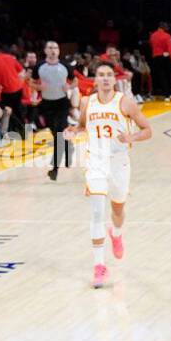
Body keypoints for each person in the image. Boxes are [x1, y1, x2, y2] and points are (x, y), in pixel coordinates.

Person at [66, 61, 153, 288]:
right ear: (95, 79)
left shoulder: (125, 103)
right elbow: (83, 126)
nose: (105, 79)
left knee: (118, 209)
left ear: (115, 80)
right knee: (96, 212)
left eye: (108, 75)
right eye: (101, 75)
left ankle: (116, 233)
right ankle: (99, 266)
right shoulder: (87, 102)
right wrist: (72, 131)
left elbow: (148, 130)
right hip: (95, 161)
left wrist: (131, 138)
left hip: (119, 163)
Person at [34, 41, 74, 180]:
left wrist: (68, 87)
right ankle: (68, 144)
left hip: (62, 103)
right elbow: (30, 82)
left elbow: (75, 81)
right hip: (46, 104)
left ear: (58, 50)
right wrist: (38, 87)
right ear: (45, 50)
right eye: (50, 48)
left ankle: (55, 169)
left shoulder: (65, 66)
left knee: (58, 134)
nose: (53, 50)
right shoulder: (39, 66)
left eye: (55, 48)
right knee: (55, 132)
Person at [0, 45, 26, 138]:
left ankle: (14, 131)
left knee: (9, 112)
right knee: (18, 110)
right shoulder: (10, 57)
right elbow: (21, 70)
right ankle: (24, 132)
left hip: (7, 91)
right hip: (18, 88)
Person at [149, 21, 171, 99]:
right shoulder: (167, 36)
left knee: (161, 76)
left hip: (156, 58)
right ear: (164, 27)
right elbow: (170, 49)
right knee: (169, 75)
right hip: (165, 57)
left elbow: (152, 46)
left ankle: (166, 94)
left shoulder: (152, 36)